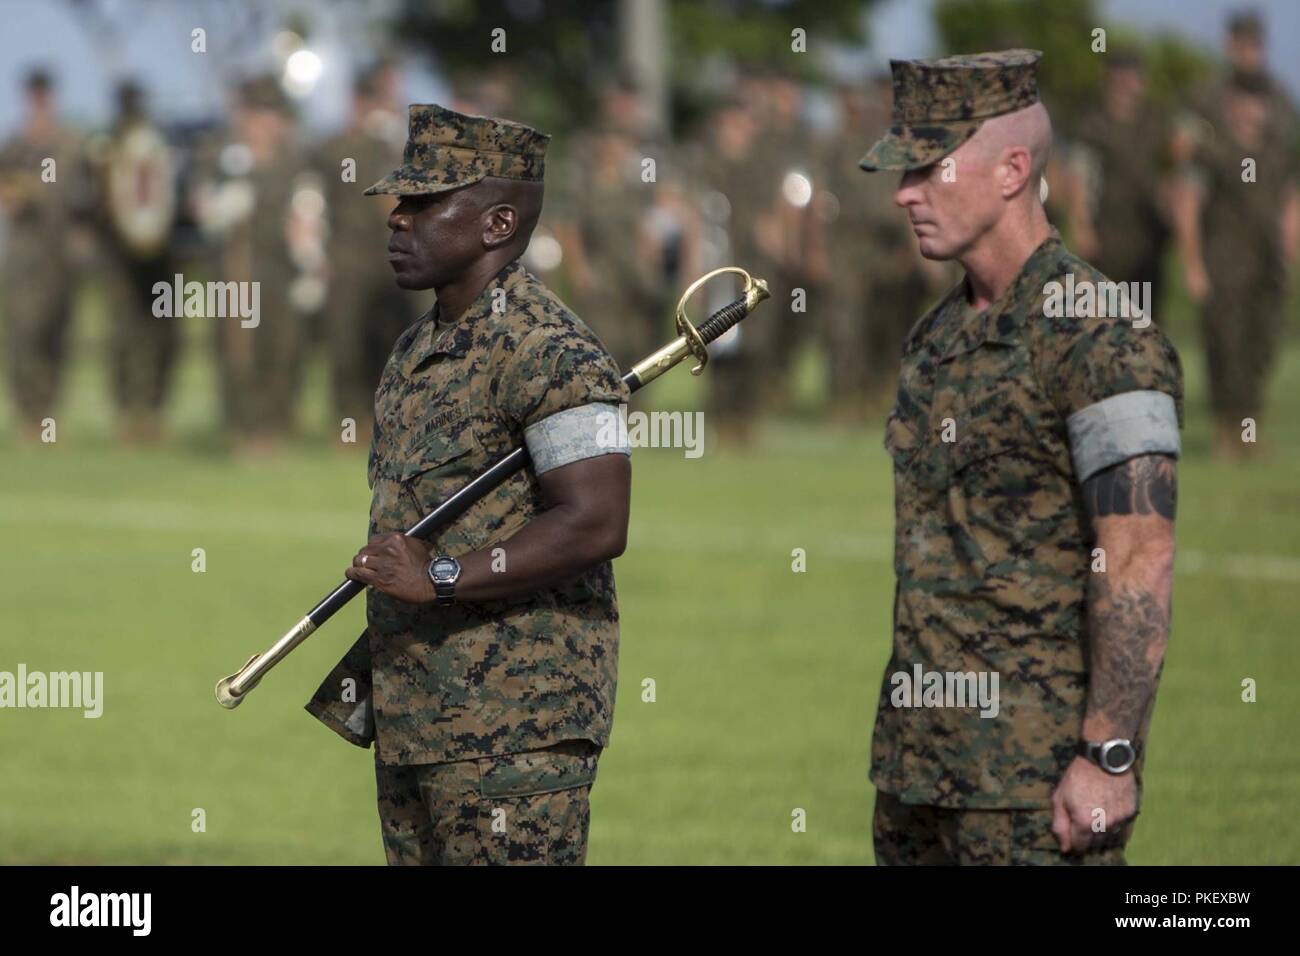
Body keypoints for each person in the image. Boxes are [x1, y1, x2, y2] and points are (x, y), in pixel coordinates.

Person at [859, 51, 1183, 865]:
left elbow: (1139, 554)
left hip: (1033, 785)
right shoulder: (934, 338)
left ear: (1011, 171)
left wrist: (1110, 757)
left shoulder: (1103, 334)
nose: (905, 192)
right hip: (916, 771)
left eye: (929, 169)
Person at [304, 104, 633, 866]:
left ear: (497, 224)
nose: (397, 218)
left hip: (516, 737)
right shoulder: (416, 349)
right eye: (400, 200)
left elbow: (595, 522)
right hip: (419, 717)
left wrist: (444, 576)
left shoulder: (553, 352)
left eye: (424, 203)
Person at [317, 64, 415, 448]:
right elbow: (312, 203)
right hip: (346, 259)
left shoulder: (394, 147)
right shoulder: (335, 149)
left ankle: (386, 424)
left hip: (392, 261)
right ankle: (346, 424)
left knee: (391, 343)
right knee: (346, 344)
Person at [92, 80, 180, 443]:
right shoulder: (104, 148)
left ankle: (153, 414)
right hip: (119, 259)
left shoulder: (158, 144)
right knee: (124, 336)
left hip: (161, 257)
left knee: (162, 336)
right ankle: (129, 414)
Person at [0, 68, 83, 439]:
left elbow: (85, 196)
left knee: (56, 337)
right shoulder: (16, 147)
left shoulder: (70, 144)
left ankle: (48, 419)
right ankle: (28, 416)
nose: (40, 102)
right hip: (24, 255)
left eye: (44, 95)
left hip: (60, 255)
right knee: (24, 335)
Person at [1068, 52, 1173, 327]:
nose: (1129, 84)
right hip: (1108, 237)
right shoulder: (1094, 124)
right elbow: (1080, 176)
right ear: (1109, 80)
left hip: (1148, 239)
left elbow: (1172, 168)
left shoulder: (1156, 122)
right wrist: (1082, 226)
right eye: (1121, 77)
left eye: (1134, 77)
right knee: (1103, 320)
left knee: (1147, 321)